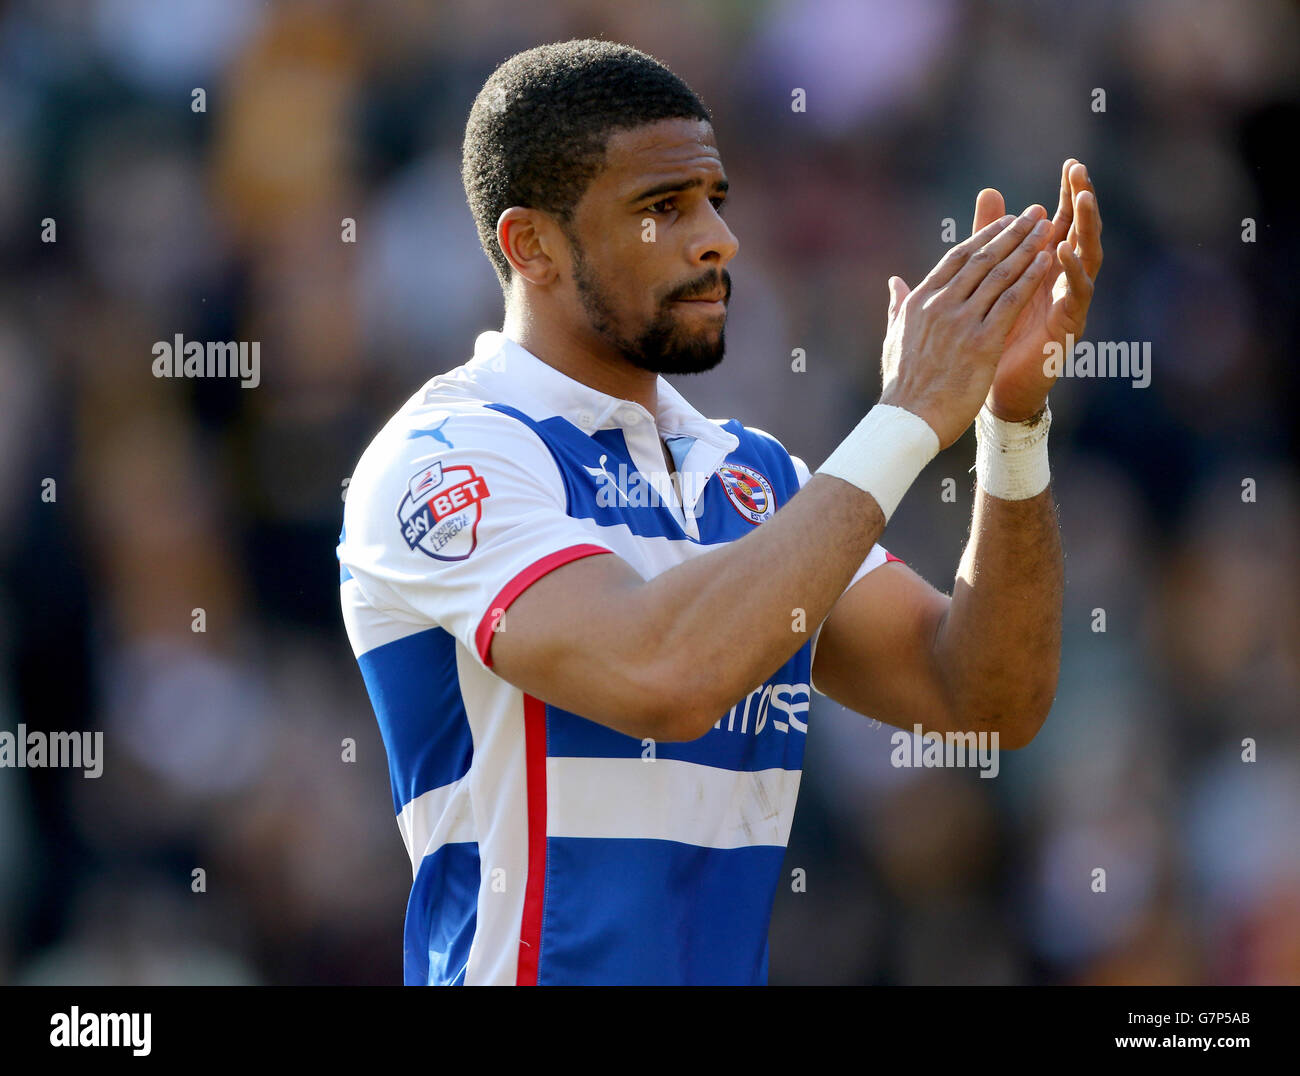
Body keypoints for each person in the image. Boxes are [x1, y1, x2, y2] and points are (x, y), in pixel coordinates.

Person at [337, 39, 1102, 985]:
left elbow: (983, 698)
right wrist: (905, 418)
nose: (717, 239)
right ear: (529, 244)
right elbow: (665, 673)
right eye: (663, 209)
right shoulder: (447, 458)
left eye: (714, 200)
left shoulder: (755, 477)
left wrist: (1011, 424)